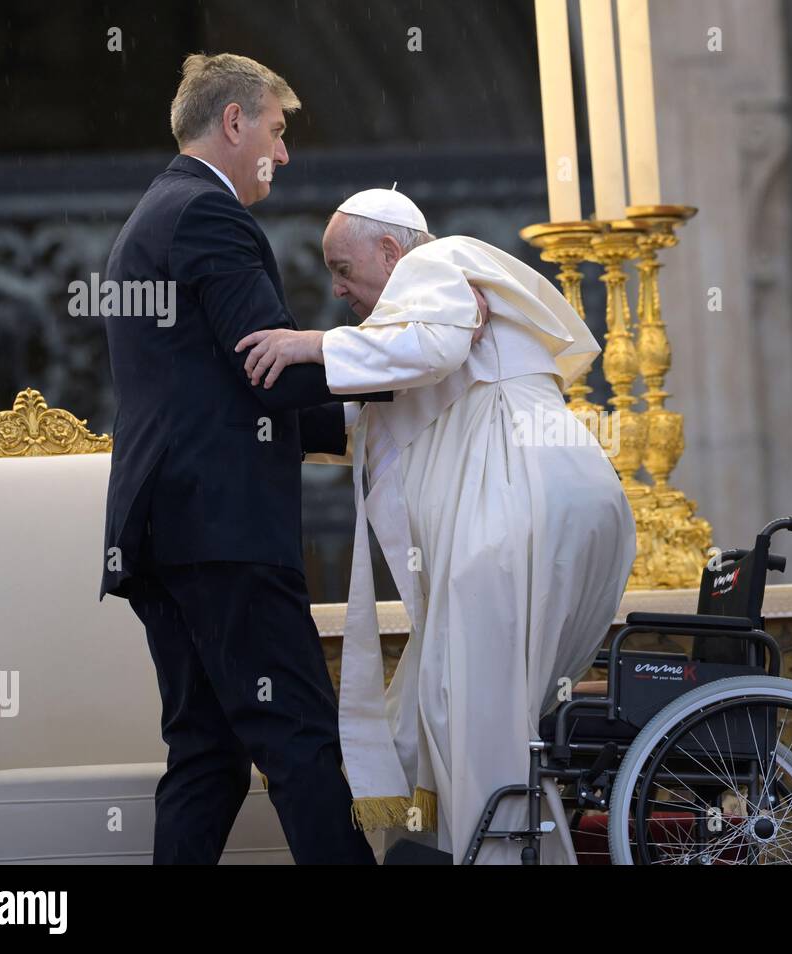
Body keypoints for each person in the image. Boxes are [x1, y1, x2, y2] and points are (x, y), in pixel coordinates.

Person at [237, 188, 636, 863]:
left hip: (520, 505)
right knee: (448, 709)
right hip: (559, 504)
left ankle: (503, 855)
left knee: (466, 708)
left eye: (342, 268)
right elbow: (370, 414)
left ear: (391, 250)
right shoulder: (411, 321)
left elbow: (439, 345)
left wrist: (306, 345)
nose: (337, 291)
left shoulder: (435, 267)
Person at [101, 52, 391, 864]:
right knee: (299, 740)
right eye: (277, 128)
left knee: (208, 758)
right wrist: (405, 380)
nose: (285, 152)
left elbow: (221, 392)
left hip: (164, 532)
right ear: (235, 123)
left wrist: (358, 431)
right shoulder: (209, 215)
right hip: (219, 534)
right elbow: (269, 372)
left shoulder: (156, 213)